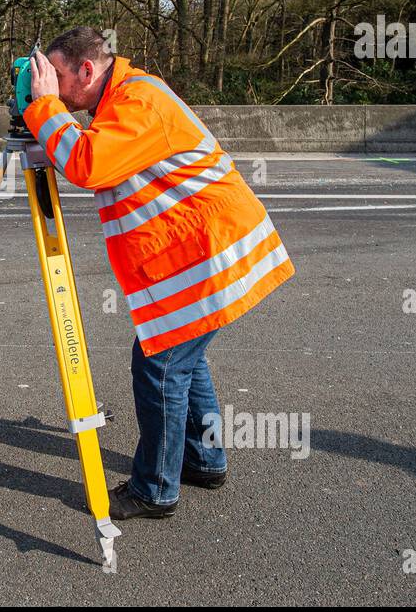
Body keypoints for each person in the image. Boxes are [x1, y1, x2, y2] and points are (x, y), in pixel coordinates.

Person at [23, 26, 294, 520]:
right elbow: (98, 156)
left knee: (160, 365)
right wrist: (50, 122)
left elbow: (87, 163)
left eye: (55, 77)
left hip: (211, 252)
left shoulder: (139, 101)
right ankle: (203, 458)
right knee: (185, 357)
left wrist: (43, 110)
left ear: (87, 70)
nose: (50, 87)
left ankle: (155, 489)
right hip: (202, 250)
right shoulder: (119, 102)